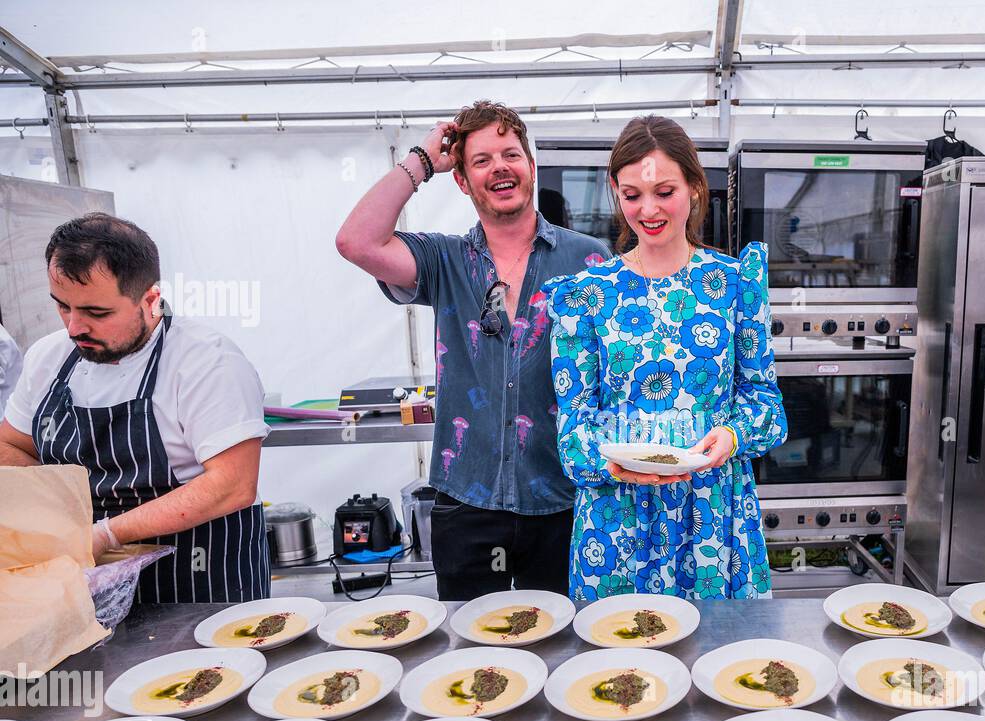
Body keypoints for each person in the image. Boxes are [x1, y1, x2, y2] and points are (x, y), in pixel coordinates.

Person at [336, 100, 609, 600]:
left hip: (566, 501)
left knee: (566, 655)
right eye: (481, 160)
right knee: (469, 654)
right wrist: (420, 160)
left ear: (530, 165)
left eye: (511, 154)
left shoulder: (591, 259)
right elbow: (356, 242)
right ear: (461, 180)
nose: (499, 167)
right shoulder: (444, 260)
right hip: (468, 503)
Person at [544, 115, 787, 600]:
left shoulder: (735, 284)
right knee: (621, 671)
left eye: (665, 192)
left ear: (696, 188)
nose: (649, 209)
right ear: (615, 192)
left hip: (713, 520)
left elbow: (768, 407)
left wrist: (734, 434)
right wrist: (612, 462)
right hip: (617, 525)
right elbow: (572, 433)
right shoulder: (587, 296)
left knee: (718, 668)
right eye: (632, 195)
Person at [0, 213, 271, 602]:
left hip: (197, 581)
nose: (75, 327)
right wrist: (58, 511)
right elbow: (11, 445)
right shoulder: (48, 357)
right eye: (63, 307)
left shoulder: (207, 362)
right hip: (83, 581)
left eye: (97, 313)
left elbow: (233, 485)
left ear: (150, 299)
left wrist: (106, 534)